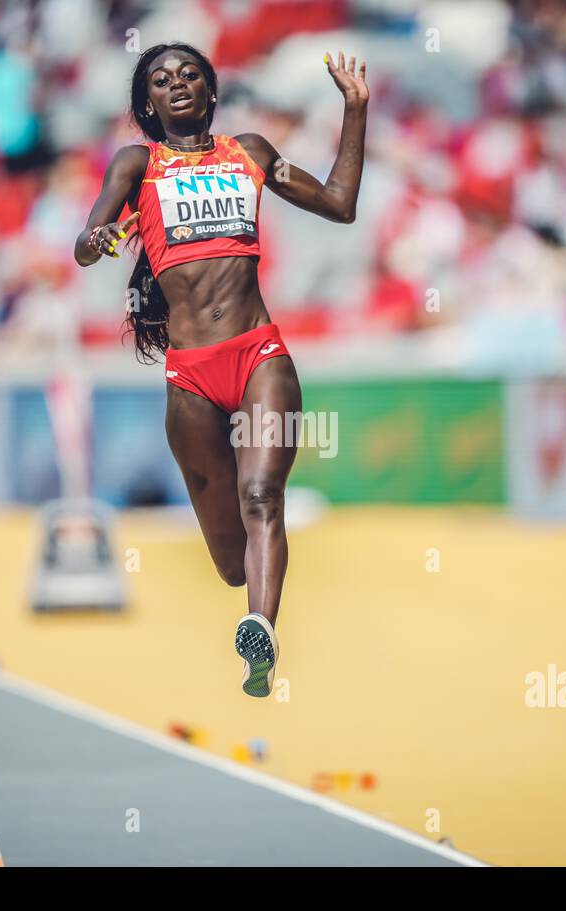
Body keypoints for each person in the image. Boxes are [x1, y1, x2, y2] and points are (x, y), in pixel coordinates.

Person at [75, 43, 368, 696]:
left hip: (260, 354)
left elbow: (341, 203)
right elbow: (85, 248)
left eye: (189, 76)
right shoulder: (134, 165)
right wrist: (99, 239)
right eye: (160, 80)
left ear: (211, 93)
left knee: (263, 496)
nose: (176, 85)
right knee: (232, 563)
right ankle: (251, 596)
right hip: (190, 380)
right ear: (147, 105)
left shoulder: (251, 154)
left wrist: (354, 109)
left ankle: (260, 634)